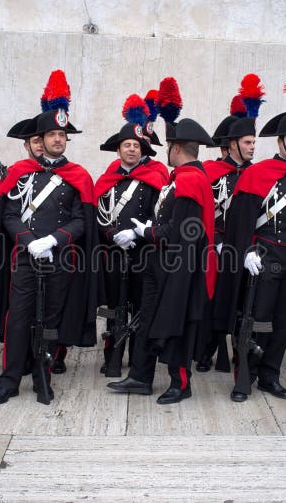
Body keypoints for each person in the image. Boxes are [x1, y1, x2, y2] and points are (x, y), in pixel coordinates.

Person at [0, 70, 99, 405]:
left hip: (61, 258)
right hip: (25, 258)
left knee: (52, 318)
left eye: (62, 135)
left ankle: (44, 373)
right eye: (52, 134)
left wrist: (54, 240)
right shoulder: (19, 172)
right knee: (18, 318)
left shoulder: (78, 176)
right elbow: (8, 214)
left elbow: (81, 221)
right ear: (40, 137)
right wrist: (29, 241)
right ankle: (10, 379)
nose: (58, 139)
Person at [213, 63, 286, 402]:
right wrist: (247, 250)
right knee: (255, 320)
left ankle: (271, 376)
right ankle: (243, 377)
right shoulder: (258, 174)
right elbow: (239, 220)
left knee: (283, 323)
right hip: (264, 255)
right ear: (280, 141)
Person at [107, 77, 217, 404]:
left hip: (179, 268)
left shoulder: (191, 181)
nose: (164, 152)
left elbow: (180, 232)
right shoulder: (179, 179)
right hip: (161, 263)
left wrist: (143, 231)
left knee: (175, 324)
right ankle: (140, 376)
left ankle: (180, 383)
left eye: (168, 146)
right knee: (147, 320)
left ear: (177, 148)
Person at [95, 94, 169, 376]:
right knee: (115, 308)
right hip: (114, 252)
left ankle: (139, 357)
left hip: (142, 253)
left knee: (140, 307)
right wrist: (113, 234)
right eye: (127, 145)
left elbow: (159, 214)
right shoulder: (107, 178)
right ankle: (111, 354)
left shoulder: (155, 177)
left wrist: (135, 235)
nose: (132, 150)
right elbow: (98, 213)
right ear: (118, 150)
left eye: (136, 146)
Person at [197, 77, 263, 373]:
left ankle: (240, 352)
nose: (252, 147)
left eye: (253, 142)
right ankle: (205, 350)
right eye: (248, 142)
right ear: (232, 144)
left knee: (241, 301)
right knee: (211, 301)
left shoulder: (259, 174)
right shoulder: (211, 171)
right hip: (215, 247)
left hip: (246, 249)